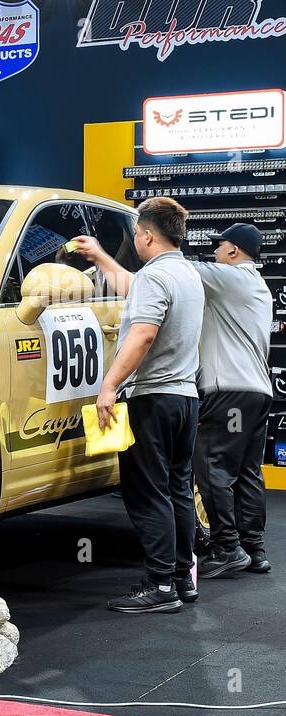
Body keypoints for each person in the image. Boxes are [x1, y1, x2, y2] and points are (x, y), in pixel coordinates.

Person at [71, 197, 204, 614]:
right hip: (185, 399)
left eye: (136, 236)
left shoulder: (155, 277)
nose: (136, 241)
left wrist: (109, 384)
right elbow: (135, 289)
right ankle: (183, 578)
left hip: (153, 399)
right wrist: (101, 256)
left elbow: (143, 334)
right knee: (177, 489)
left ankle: (160, 586)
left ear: (147, 234)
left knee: (147, 493)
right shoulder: (186, 274)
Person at [189, 223, 274, 576]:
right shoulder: (259, 285)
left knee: (213, 469)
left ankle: (227, 547)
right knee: (248, 472)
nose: (215, 252)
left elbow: (176, 267)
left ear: (234, 251)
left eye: (219, 246)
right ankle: (254, 549)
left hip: (230, 392)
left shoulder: (231, 278)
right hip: (257, 392)